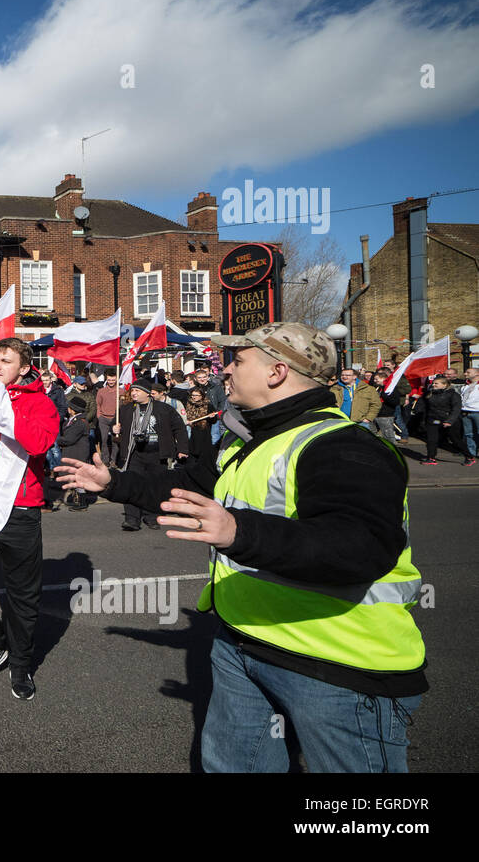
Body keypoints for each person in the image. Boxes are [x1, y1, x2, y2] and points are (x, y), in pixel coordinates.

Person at [56, 321, 426, 772]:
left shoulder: (343, 446)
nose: (224, 371)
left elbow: (359, 546)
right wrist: (114, 483)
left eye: (237, 361)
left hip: (338, 666)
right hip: (241, 643)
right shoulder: (243, 439)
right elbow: (185, 486)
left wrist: (238, 532)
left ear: (277, 373)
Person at [0, 338, 59, 701]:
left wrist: (4, 408)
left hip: (20, 511)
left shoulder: (42, 404)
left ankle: (21, 663)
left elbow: (37, 444)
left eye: (6, 361)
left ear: (24, 368)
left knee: (23, 597)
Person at [112, 377, 188, 531]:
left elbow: (179, 428)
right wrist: (114, 431)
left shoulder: (163, 409)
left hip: (157, 453)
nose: (133, 393)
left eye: (137, 390)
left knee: (154, 486)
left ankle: (151, 516)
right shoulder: (126, 410)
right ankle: (132, 519)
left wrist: (182, 449)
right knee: (132, 485)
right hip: (134, 454)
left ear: (147, 393)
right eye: (132, 390)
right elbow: (116, 431)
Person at [57, 396, 91, 511]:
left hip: (78, 454)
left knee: (79, 479)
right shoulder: (72, 420)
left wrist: (56, 439)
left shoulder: (80, 422)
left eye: (70, 407)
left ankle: (82, 502)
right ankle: (78, 499)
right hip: (72, 452)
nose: (68, 408)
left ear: (74, 409)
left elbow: (69, 439)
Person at [420, 373, 462, 465]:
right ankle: (431, 457)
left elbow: (456, 409)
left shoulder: (453, 395)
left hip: (447, 419)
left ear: (444, 385)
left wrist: (449, 421)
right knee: (431, 440)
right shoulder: (430, 393)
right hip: (433, 419)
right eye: (433, 383)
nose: (433, 385)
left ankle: (469, 456)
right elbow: (426, 407)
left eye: (436, 384)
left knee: (455, 439)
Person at [182, 386, 217, 470]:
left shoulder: (208, 406)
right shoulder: (188, 404)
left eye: (196, 395)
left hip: (204, 434)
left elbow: (214, 421)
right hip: (192, 433)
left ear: (202, 396)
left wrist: (212, 417)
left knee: (203, 454)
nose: (194, 397)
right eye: (193, 395)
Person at [95, 375, 118, 465]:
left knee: (115, 441)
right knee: (103, 440)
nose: (111, 381)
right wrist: (99, 416)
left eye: (113, 380)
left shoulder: (120, 391)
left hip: (115, 418)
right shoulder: (101, 391)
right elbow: (98, 404)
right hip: (103, 418)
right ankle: (105, 460)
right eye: (109, 380)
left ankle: (113, 460)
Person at [460, 367, 479, 467]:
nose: (465, 373)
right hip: (466, 412)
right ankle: (471, 455)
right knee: (469, 434)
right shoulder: (466, 386)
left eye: (468, 372)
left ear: (476, 374)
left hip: (477, 412)